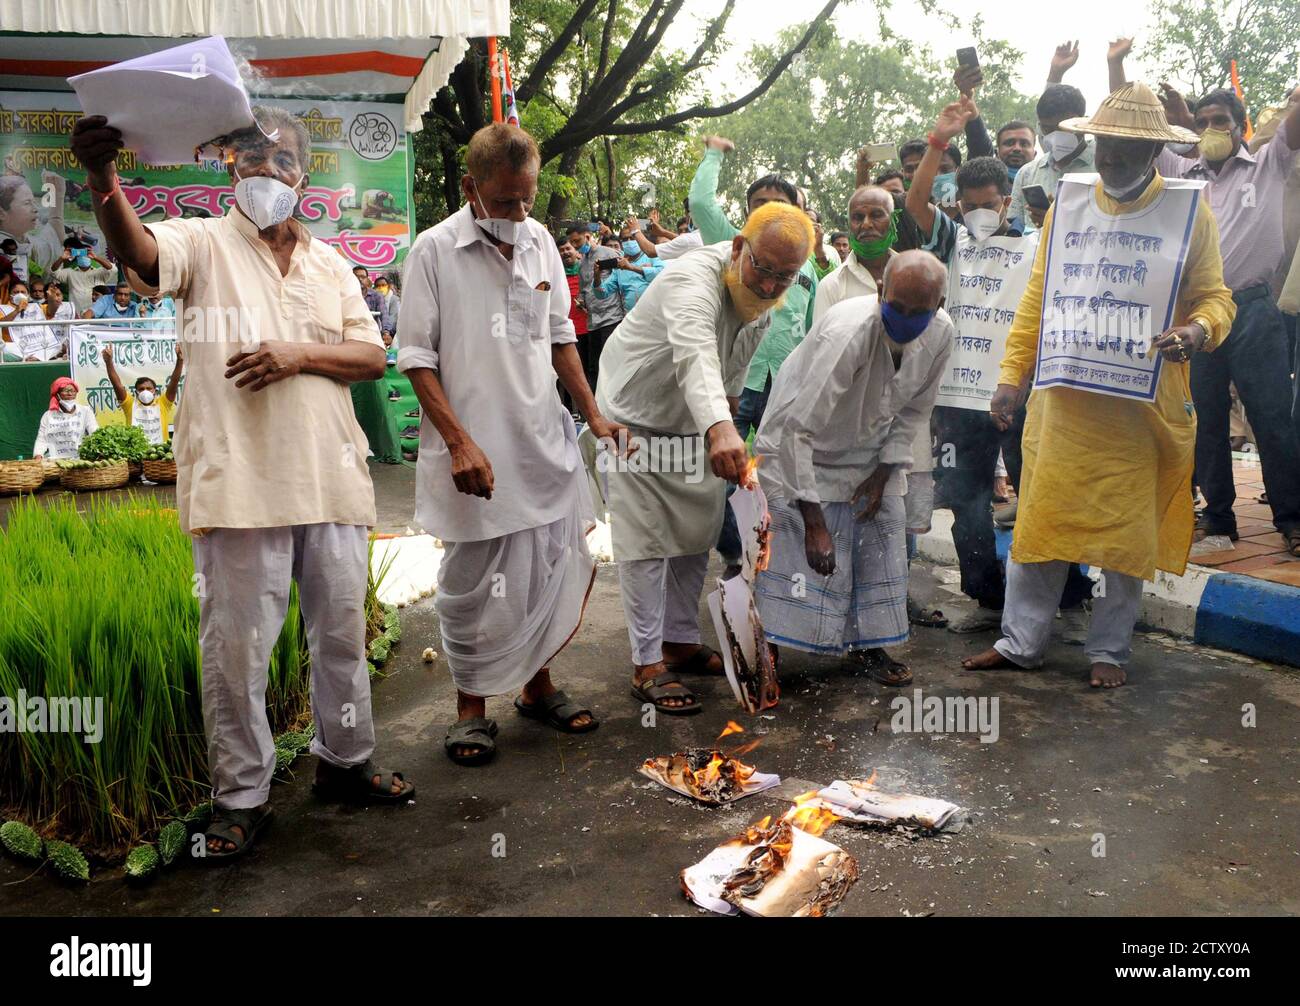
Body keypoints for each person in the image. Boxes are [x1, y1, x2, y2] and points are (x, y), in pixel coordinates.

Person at [70, 102, 414, 859]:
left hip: (331, 479)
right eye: (251, 157)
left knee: (341, 639)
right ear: (230, 166)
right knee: (236, 649)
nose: (266, 169)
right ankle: (241, 798)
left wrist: (295, 353)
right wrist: (103, 181)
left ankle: (345, 766)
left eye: (281, 158)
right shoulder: (201, 241)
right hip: (240, 482)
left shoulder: (330, 264)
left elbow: (372, 358)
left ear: (302, 172)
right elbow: (142, 253)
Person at [962, 82, 1236, 689]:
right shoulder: (1070, 203)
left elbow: (1218, 298)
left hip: (1139, 407)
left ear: (1151, 151)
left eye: (1123, 148)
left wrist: (1196, 330)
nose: (1109, 157)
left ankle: (1108, 650)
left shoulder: (1191, 210)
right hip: (1063, 402)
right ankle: (1020, 643)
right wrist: (1013, 376)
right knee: (1040, 521)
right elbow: (1037, 296)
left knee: (1124, 532)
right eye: (1103, 144)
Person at [399, 122, 624, 765]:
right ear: (470, 187)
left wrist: (594, 414)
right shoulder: (434, 251)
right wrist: (460, 443)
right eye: (504, 201)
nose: (518, 213)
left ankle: (538, 685)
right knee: (474, 577)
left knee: (547, 567)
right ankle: (471, 708)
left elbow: (559, 341)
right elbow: (415, 357)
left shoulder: (540, 242)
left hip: (541, 441)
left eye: (526, 199)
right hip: (475, 453)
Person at [593, 201, 814, 715]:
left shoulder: (766, 299)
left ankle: (680, 641)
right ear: (739, 247)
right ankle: (647, 662)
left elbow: (731, 374)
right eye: (763, 269)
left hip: (694, 430)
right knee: (645, 544)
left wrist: (728, 425)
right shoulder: (691, 279)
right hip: (635, 423)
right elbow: (694, 349)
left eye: (784, 277)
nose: (768, 286)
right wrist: (721, 430)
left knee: (695, 537)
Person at [907, 101, 1095, 637]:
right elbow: (916, 202)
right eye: (969, 206)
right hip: (958, 399)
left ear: (1007, 200)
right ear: (959, 205)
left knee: (1042, 492)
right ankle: (987, 595)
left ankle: (1069, 593)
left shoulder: (1038, 246)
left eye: (988, 205)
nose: (979, 215)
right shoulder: (951, 239)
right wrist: (938, 141)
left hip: (1023, 393)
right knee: (966, 502)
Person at [753, 251, 953, 685]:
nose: (904, 318)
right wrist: (814, 523)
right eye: (896, 307)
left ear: (938, 307)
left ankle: (869, 645)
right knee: (790, 549)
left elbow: (915, 410)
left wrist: (883, 474)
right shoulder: (849, 332)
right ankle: (765, 648)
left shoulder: (942, 334)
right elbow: (798, 432)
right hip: (801, 445)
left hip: (871, 449)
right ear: (881, 292)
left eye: (918, 312)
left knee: (880, 537)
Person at [1139, 71, 1300, 555]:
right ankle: (1219, 515)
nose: (1212, 128)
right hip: (1197, 317)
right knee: (1204, 417)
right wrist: (1118, 68)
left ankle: (1292, 519)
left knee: (1272, 418)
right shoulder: (1180, 170)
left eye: (1221, 121)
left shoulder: (1270, 162)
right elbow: (1140, 133)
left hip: (1252, 309)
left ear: (1241, 127)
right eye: (1203, 121)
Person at [1009, 60, 1095, 232]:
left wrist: (1057, 220)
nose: (1054, 136)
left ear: (1082, 122)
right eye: (1047, 129)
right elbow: (1014, 227)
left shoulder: (1103, 166)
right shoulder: (1027, 174)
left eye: (1062, 129)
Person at [814, 185, 896, 316]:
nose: (866, 224)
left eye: (876, 215)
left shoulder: (914, 276)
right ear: (849, 224)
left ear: (893, 220)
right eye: (858, 217)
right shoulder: (831, 286)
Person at [102, 345, 183, 444]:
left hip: (160, 455)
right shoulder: (130, 405)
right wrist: (108, 362)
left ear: (155, 391)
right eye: (141, 389)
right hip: (136, 454)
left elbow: (174, 382)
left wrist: (180, 360)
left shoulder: (163, 403)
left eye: (149, 388)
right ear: (136, 392)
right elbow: (117, 385)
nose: (145, 391)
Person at [0, 171, 65, 279]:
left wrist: (57, 194)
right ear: (1, 213)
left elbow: (53, 241)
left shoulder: (26, 241)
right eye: (27, 203)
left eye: (33, 202)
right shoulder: (9, 249)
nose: (35, 209)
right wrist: (57, 195)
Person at [595, 223, 663, 312]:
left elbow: (661, 273)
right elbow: (602, 294)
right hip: (631, 318)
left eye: (632, 237)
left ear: (640, 238)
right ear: (622, 243)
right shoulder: (619, 265)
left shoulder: (652, 255)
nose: (629, 241)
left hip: (656, 313)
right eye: (625, 239)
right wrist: (596, 276)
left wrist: (631, 267)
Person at [33, 377, 98, 459]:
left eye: (73, 391)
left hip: (80, 459)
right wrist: (38, 455)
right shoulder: (48, 415)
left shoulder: (85, 411)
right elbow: (42, 439)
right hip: (55, 459)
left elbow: (94, 431)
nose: (70, 394)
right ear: (57, 394)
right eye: (66, 391)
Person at [51, 242, 116, 315]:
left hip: (98, 315)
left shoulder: (100, 273)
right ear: (77, 256)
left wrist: (96, 257)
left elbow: (112, 269)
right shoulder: (70, 273)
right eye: (81, 253)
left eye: (86, 253)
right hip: (78, 315)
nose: (83, 256)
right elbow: (54, 272)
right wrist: (62, 258)